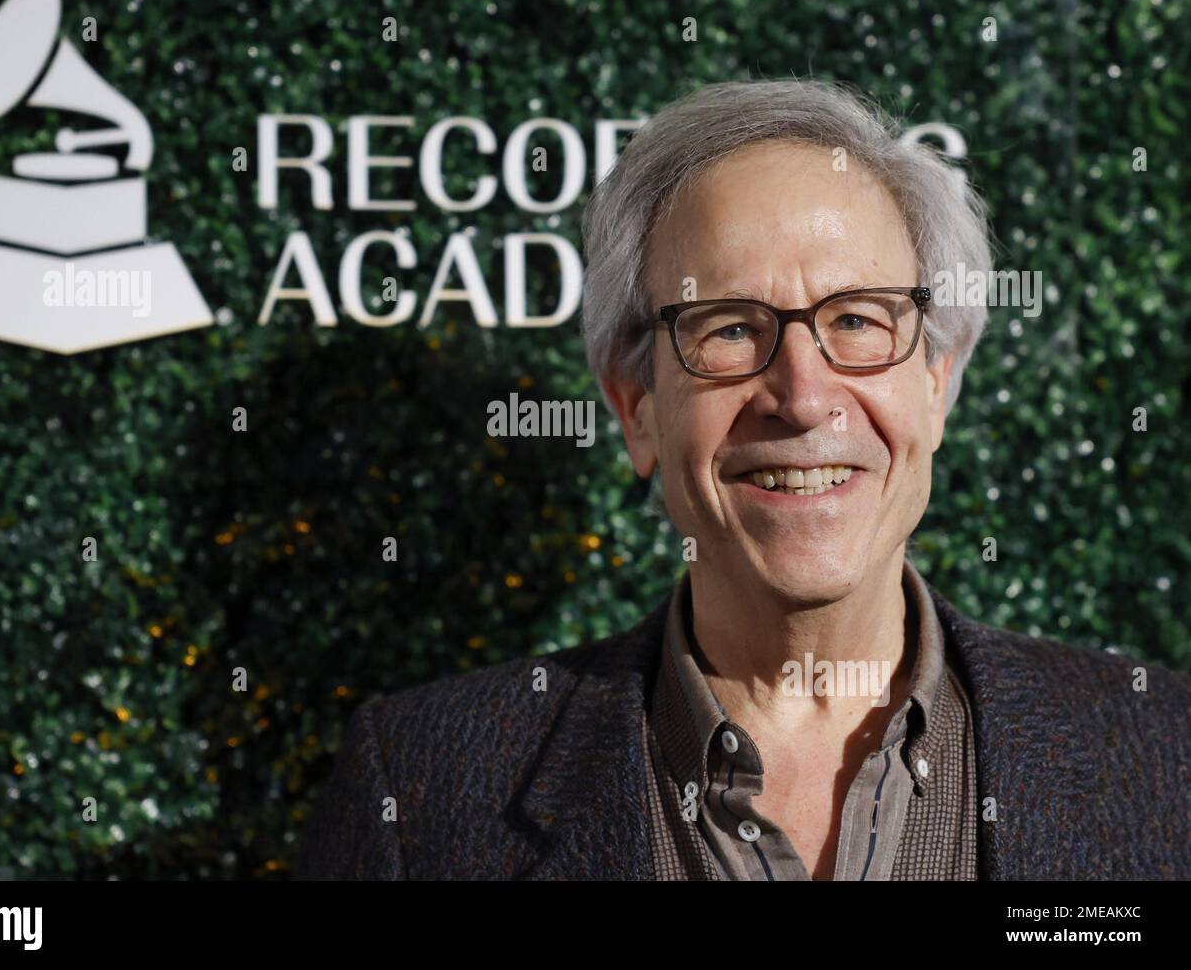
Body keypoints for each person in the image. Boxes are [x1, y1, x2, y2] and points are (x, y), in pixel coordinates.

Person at [296, 80, 1190, 880]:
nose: (802, 396)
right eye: (728, 327)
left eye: (857, 319)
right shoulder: (422, 799)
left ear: (936, 380)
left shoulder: (1164, 758)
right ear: (636, 404)